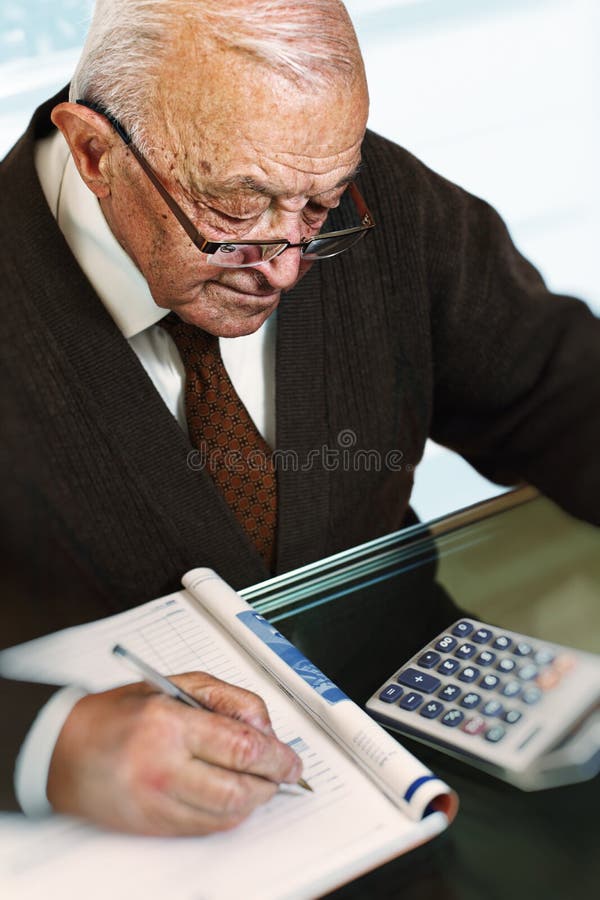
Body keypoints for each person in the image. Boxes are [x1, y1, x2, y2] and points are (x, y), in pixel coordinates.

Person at [1, 0, 598, 836]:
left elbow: (562, 388)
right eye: (236, 209)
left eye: (318, 210)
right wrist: (48, 743)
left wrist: (286, 207)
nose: (285, 271)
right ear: (95, 152)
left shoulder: (374, 195)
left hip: (426, 759)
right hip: (124, 841)